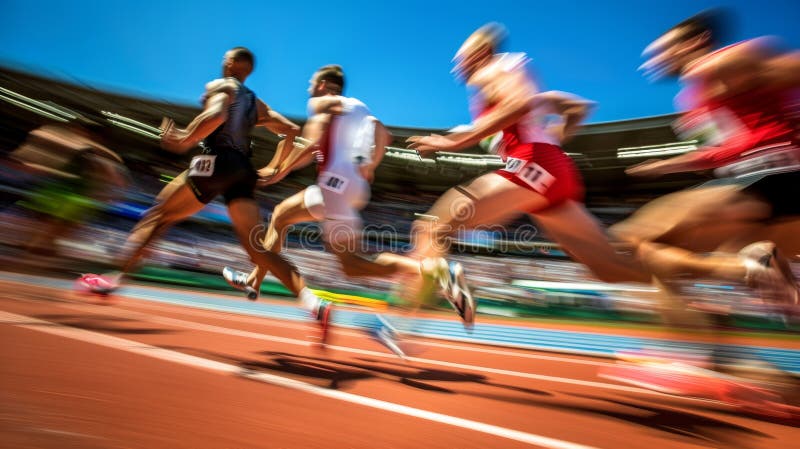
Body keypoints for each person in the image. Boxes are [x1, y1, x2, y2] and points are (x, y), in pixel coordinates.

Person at [222, 65, 470, 355]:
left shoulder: (325, 102)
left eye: (312, 84)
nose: (308, 90)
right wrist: (369, 165)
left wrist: (280, 170)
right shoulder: (360, 108)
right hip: (351, 188)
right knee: (324, 245)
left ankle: (257, 281)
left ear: (326, 85)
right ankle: (433, 269)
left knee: (297, 227)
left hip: (333, 184)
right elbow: (383, 133)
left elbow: (312, 140)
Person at [405, 23, 652, 310]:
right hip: (553, 175)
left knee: (429, 228)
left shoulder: (491, 71)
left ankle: (403, 323)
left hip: (531, 167)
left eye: (461, 58)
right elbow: (579, 108)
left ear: (481, 52)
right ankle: (670, 277)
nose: (457, 66)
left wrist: (453, 144)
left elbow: (518, 103)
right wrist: (555, 141)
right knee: (608, 267)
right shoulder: (523, 81)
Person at [78, 47, 310, 310]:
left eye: (225, 58)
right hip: (243, 171)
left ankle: (113, 279)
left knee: (158, 215)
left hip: (215, 162)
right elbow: (291, 129)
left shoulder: (222, 84)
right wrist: (277, 168)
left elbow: (218, 115)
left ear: (233, 64)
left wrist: (185, 138)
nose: (222, 62)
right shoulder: (256, 103)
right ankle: (313, 302)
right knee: (258, 248)